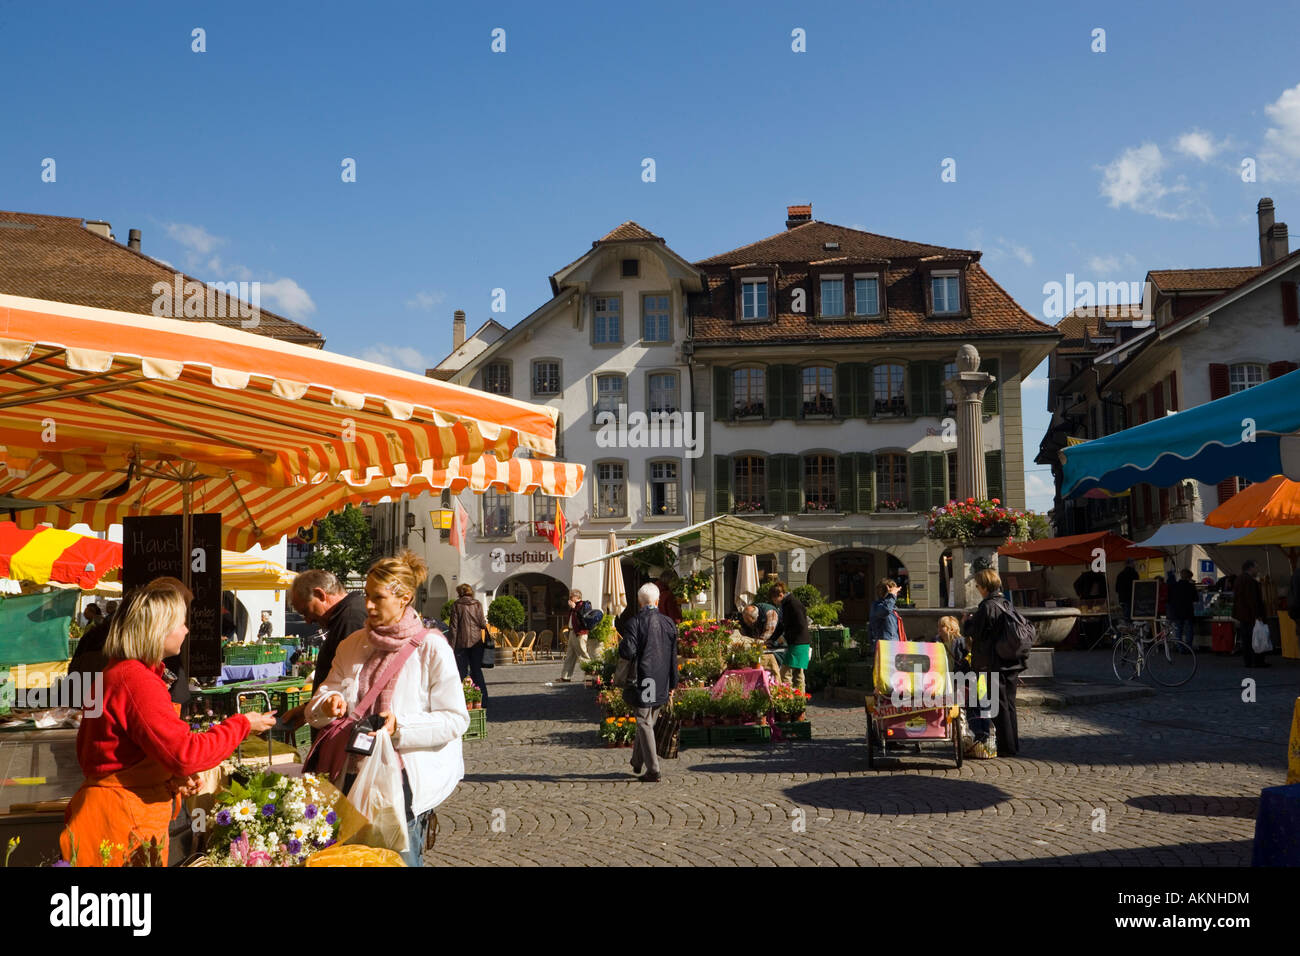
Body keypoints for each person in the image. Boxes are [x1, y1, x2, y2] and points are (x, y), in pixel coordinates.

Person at [60, 587, 276, 866]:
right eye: (182, 623)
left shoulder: (119, 673)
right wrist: (243, 724)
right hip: (122, 821)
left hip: (118, 812)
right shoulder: (136, 680)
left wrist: (167, 775)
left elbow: (124, 752)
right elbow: (185, 755)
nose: (187, 631)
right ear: (159, 629)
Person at [306, 551, 469, 866]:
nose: (367, 605)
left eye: (377, 597)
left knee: (399, 859)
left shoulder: (432, 648)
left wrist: (401, 728)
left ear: (404, 598)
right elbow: (323, 695)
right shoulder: (352, 644)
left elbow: (454, 719)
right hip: (349, 777)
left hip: (402, 782)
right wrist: (328, 702)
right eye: (366, 595)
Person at [618, 583, 678, 783]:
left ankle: (653, 770)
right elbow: (673, 657)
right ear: (658, 601)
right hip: (662, 678)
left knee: (644, 722)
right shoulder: (668, 622)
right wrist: (673, 685)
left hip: (645, 678)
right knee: (648, 721)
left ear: (639, 601)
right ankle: (637, 761)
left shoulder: (635, 622)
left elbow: (627, 652)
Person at [961, 569, 1022, 759]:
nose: (978, 589)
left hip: (993, 663)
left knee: (999, 706)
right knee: (1009, 704)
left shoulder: (987, 606)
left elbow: (974, 631)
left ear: (985, 587)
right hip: (1010, 661)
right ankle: (1012, 744)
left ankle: (1006, 747)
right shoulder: (1006, 603)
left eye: (978, 586)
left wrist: (965, 623)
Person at [290, 569, 369, 693]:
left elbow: (350, 680)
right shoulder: (345, 617)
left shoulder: (350, 618)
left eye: (306, 611)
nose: (308, 621)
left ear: (320, 595)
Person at [448, 584, 490, 706]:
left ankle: (461, 701)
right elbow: (482, 623)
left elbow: (454, 628)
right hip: (477, 643)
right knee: (477, 671)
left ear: (460, 593)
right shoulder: (477, 604)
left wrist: (451, 646)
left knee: (461, 672)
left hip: (461, 643)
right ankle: (483, 699)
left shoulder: (457, 605)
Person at [769, 582, 810, 693]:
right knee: (798, 672)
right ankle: (799, 699)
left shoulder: (792, 604)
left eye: (774, 599)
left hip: (798, 642)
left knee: (785, 673)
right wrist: (772, 639)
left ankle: (789, 697)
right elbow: (782, 625)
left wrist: (786, 636)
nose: (774, 602)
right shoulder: (787, 604)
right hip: (800, 641)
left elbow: (800, 624)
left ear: (781, 595)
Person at [1234, 560, 1268, 668]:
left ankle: (1248, 661)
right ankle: (1257, 661)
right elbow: (1252, 600)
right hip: (1251, 615)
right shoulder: (1250, 581)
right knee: (1255, 638)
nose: (1257, 570)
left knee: (1247, 639)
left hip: (1242, 614)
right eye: (1256, 567)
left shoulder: (1239, 579)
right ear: (1250, 568)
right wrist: (1258, 615)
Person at [558, 589, 598, 683]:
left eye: (572, 596)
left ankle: (591, 675)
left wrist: (574, 608)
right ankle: (565, 677)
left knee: (582, 654)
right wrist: (573, 608)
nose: (570, 598)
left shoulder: (583, 605)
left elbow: (583, 616)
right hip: (572, 632)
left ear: (577, 597)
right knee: (570, 656)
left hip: (580, 633)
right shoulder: (574, 606)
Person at [868, 578, 903, 653]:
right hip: (886, 648)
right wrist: (891, 595)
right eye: (895, 592)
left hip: (894, 646)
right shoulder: (877, 606)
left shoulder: (891, 607)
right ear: (887, 592)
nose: (896, 595)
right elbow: (885, 610)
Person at [1168, 569, 1198, 647]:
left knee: (1179, 631)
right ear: (1189, 577)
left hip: (1177, 611)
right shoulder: (1191, 586)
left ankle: (1180, 647)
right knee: (1189, 630)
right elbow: (1196, 599)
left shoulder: (1175, 585)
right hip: (1188, 611)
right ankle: (1188, 647)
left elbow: (1170, 598)